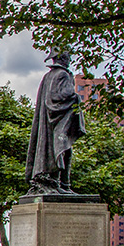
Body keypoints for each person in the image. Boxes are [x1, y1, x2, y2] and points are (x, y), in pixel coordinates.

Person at [26, 47, 86, 194]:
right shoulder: (63, 75)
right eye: (68, 56)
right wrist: (77, 97)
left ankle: (62, 185)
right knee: (63, 150)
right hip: (58, 121)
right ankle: (61, 184)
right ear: (63, 58)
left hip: (49, 120)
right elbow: (62, 96)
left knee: (61, 150)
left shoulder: (48, 77)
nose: (69, 59)